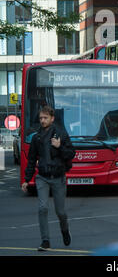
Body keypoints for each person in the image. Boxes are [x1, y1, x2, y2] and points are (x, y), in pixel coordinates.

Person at [21, 105, 76, 252]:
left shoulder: (61, 134)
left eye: (45, 118)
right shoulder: (36, 137)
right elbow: (31, 160)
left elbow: (71, 154)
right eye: (40, 118)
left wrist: (59, 147)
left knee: (61, 212)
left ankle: (65, 230)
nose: (42, 120)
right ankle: (45, 241)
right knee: (42, 208)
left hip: (58, 177)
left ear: (52, 118)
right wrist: (26, 179)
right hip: (42, 177)